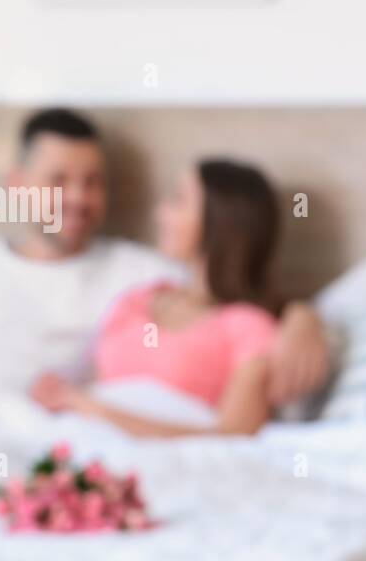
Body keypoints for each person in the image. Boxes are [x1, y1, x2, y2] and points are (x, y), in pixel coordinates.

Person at [0, 108, 329, 410]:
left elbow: (233, 291)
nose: (78, 198)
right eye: (58, 181)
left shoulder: (146, 276)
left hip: (75, 438)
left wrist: (301, 318)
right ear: (16, 184)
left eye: (93, 182)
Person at [29, 159, 283, 437]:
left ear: (222, 219)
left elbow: (235, 437)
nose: (159, 213)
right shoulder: (135, 301)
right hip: (91, 453)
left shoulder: (248, 326)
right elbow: (100, 392)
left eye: (177, 200)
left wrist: (94, 410)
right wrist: (62, 397)